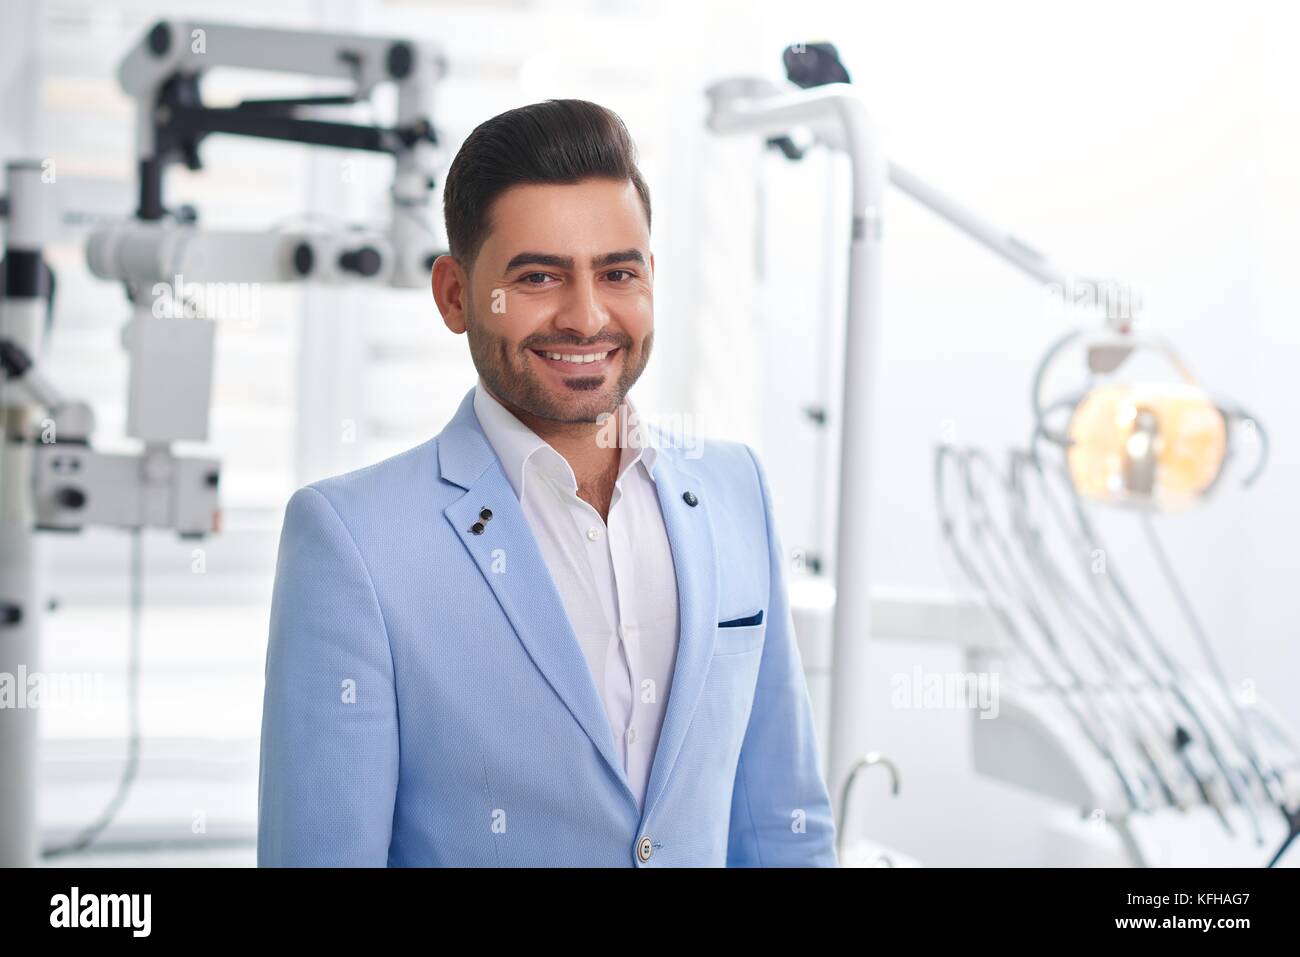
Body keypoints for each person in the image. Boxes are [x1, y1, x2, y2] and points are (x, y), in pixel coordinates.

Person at [257, 99, 837, 866]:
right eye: (539, 276)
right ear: (455, 296)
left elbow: (783, 824)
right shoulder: (352, 541)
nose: (587, 316)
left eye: (617, 272)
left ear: (650, 280)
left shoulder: (735, 489)